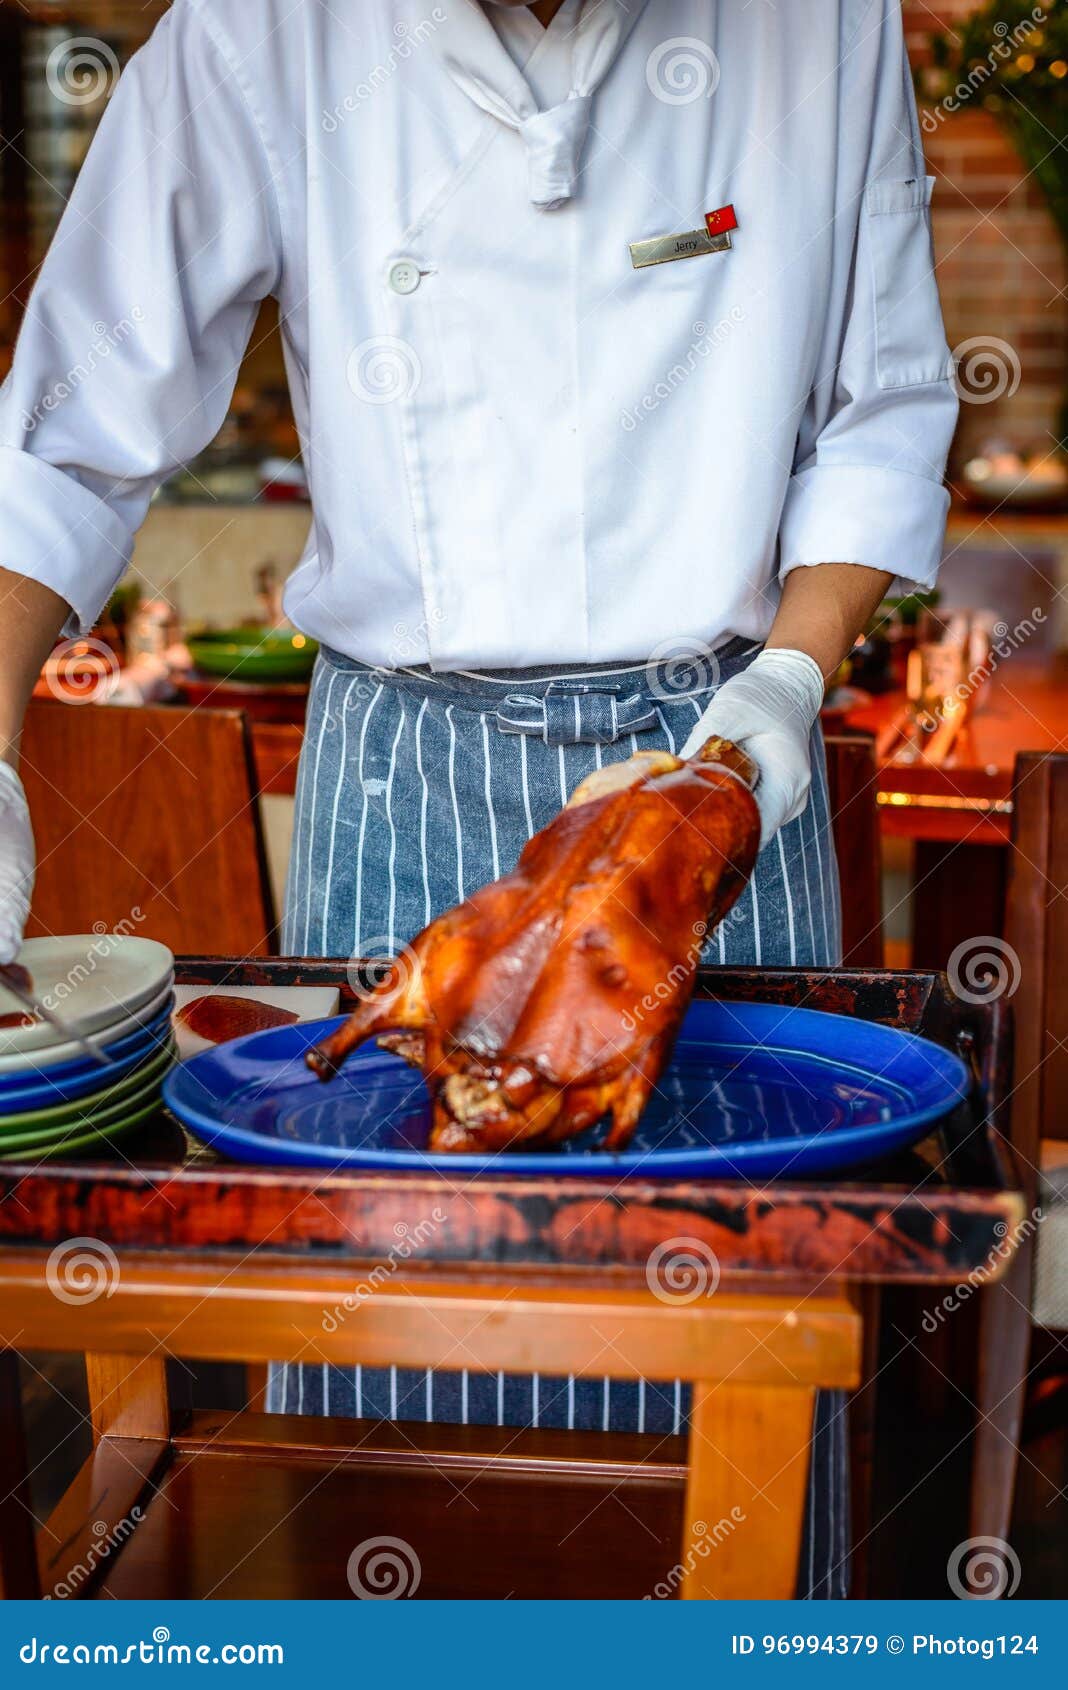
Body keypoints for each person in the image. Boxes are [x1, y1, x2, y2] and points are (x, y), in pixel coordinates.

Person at [0, 0, 957, 1598]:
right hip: (406, 782)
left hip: (713, 786)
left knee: (746, 1380)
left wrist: (782, 692)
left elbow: (881, 409)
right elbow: (66, 433)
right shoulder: (263, 29)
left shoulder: (825, 21)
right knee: (398, 1391)